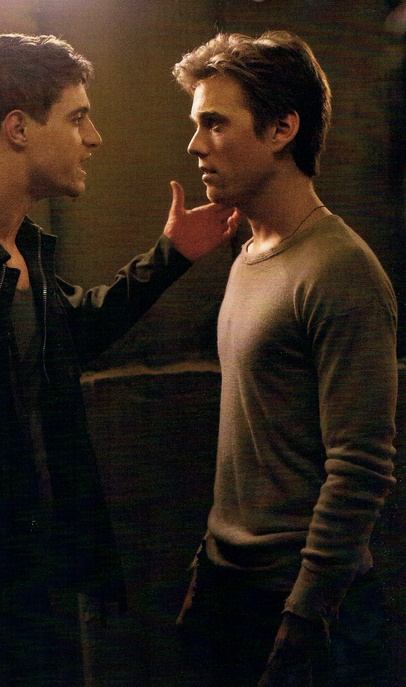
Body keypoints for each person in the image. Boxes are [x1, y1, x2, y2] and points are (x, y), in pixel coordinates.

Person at [0, 34, 238, 686]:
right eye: (77, 117)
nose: (94, 138)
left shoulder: (18, 249)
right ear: (17, 129)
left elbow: (70, 329)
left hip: (32, 583)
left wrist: (170, 256)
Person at [172, 31, 398, 687]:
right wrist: (207, 565)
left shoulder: (341, 269)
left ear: (281, 129)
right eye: (197, 124)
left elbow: (360, 465)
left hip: (302, 600)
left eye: (216, 123)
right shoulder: (248, 253)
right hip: (230, 585)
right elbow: (252, 438)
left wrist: (306, 613)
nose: (195, 145)